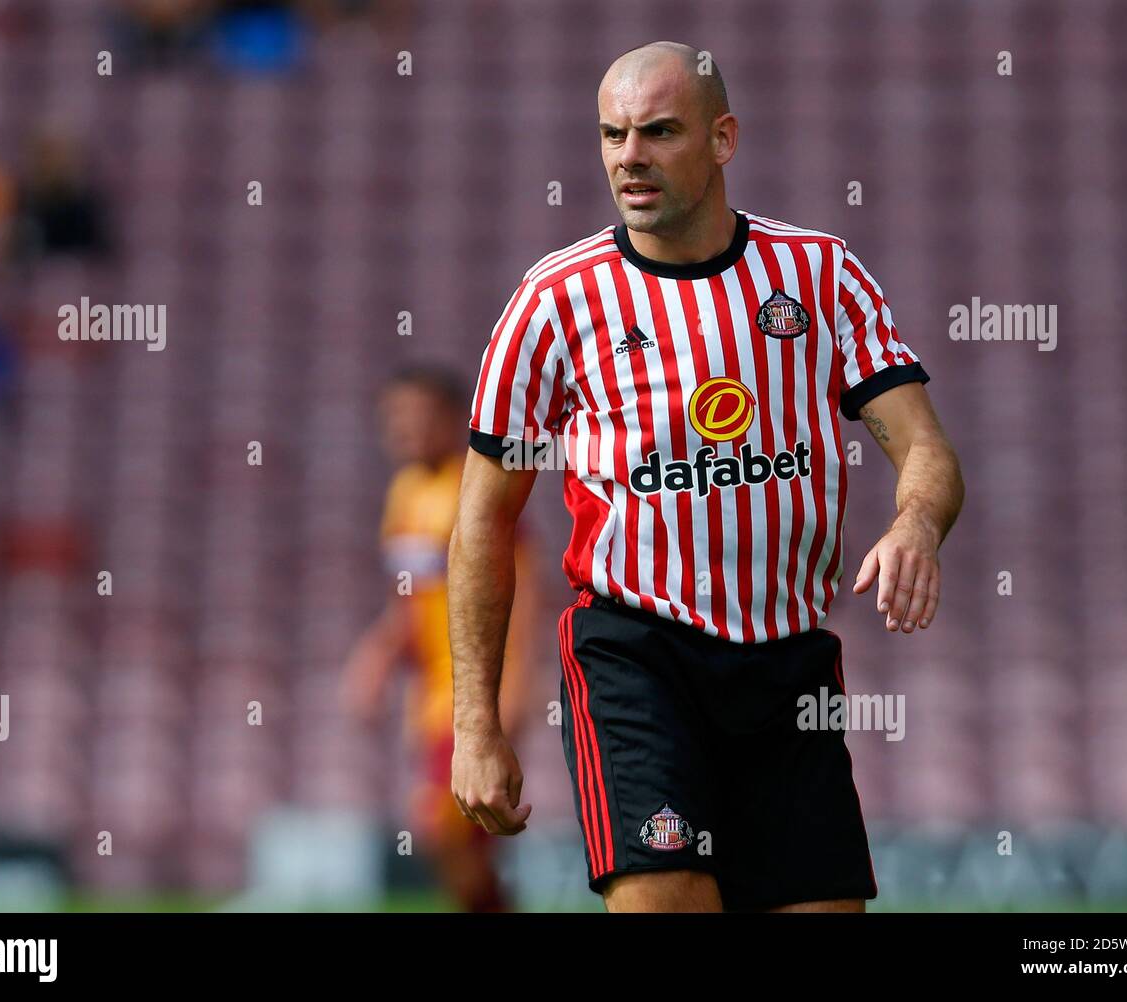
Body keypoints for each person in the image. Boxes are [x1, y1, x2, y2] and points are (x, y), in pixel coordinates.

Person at [448, 41, 964, 913]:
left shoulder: (818, 276)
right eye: (612, 135)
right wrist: (476, 724)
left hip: (789, 670)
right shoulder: (554, 301)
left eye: (658, 131)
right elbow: (481, 520)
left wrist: (916, 524)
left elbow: (926, 449)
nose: (629, 157)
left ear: (723, 139)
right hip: (636, 655)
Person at [342, 365, 537, 912]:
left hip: (474, 695)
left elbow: (522, 583)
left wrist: (514, 686)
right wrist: (379, 654)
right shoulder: (405, 492)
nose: (405, 429)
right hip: (430, 701)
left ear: (456, 419)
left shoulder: (472, 484)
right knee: (457, 838)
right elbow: (409, 599)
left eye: (420, 416)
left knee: (445, 829)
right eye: (395, 419)